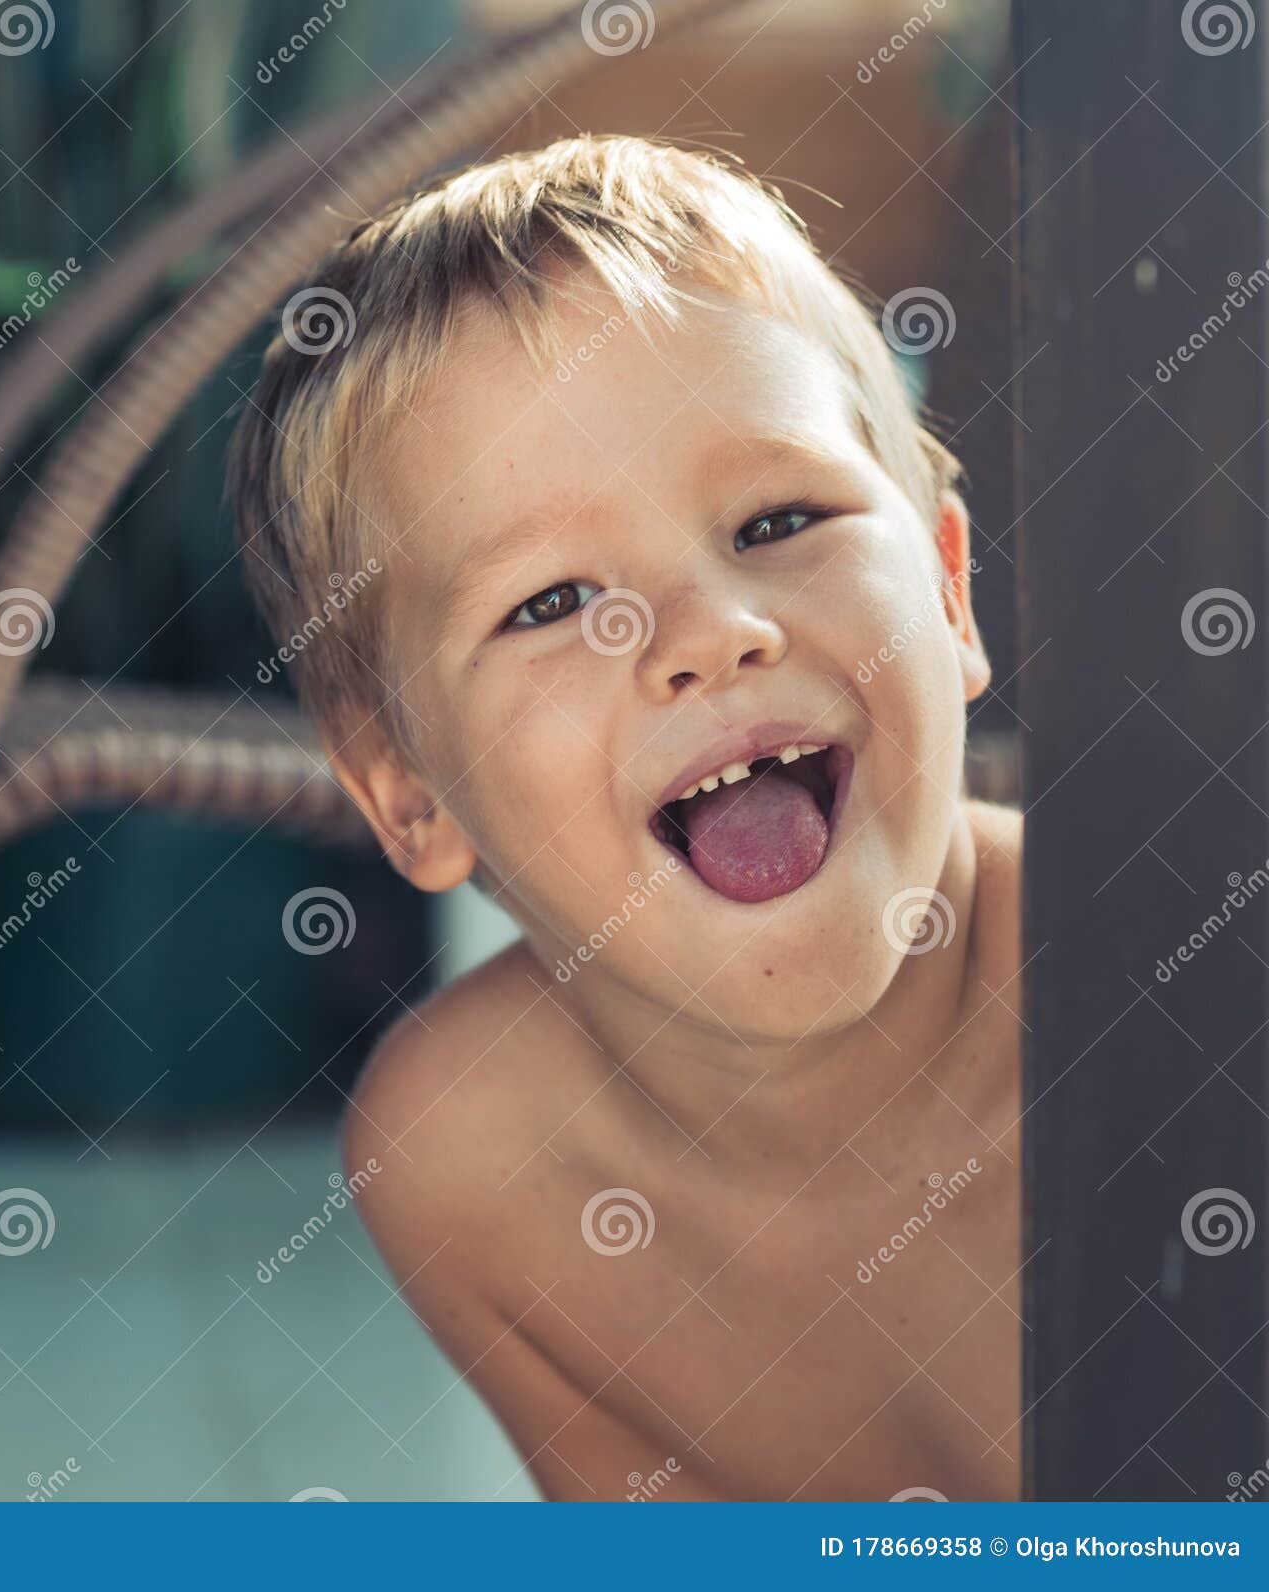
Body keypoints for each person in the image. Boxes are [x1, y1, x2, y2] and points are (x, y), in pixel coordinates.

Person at [226, 133, 1021, 1502]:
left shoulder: (1177, 995)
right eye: (545, 604)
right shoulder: (473, 1162)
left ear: (948, 595)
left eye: (779, 518)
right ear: (406, 794)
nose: (711, 635)